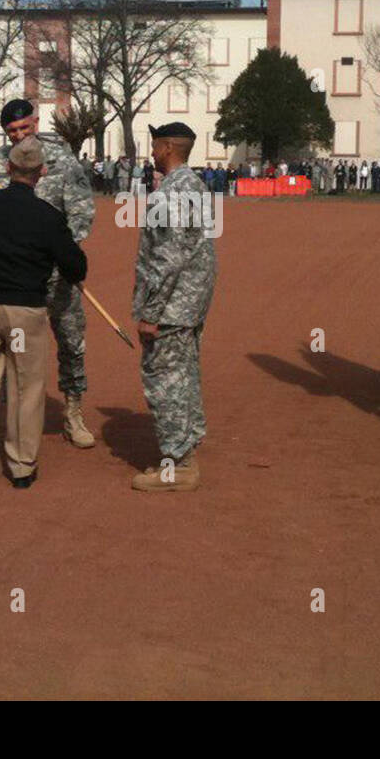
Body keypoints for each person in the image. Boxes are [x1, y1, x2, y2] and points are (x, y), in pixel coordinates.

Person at [0, 136, 88, 496]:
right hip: (24, 313)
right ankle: (22, 466)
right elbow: (76, 266)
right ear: (41, 173)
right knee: (26, 387)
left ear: (9, 168)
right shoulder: (49, 217)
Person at [0, 99, 98, 448]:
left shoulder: (62, 160)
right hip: (16, 277)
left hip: (58, 276)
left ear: (36, 122)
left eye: (24, 128)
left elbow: (81, 212)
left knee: (71, 343)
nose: (19, 135)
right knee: (11, 344)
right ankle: (12, 414)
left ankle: (72, 412)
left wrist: (62, 252)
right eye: (12, 131)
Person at [131, 122, 217, 492]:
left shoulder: (171, 192)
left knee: (164, 378)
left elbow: (167, 258)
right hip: (190, 300)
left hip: (172, 305)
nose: (152, 152)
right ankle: (186, 445)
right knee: (183, 373)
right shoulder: (194, 185)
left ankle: (179, 465)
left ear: (167, 147)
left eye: (155, 145)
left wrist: (151, 312)